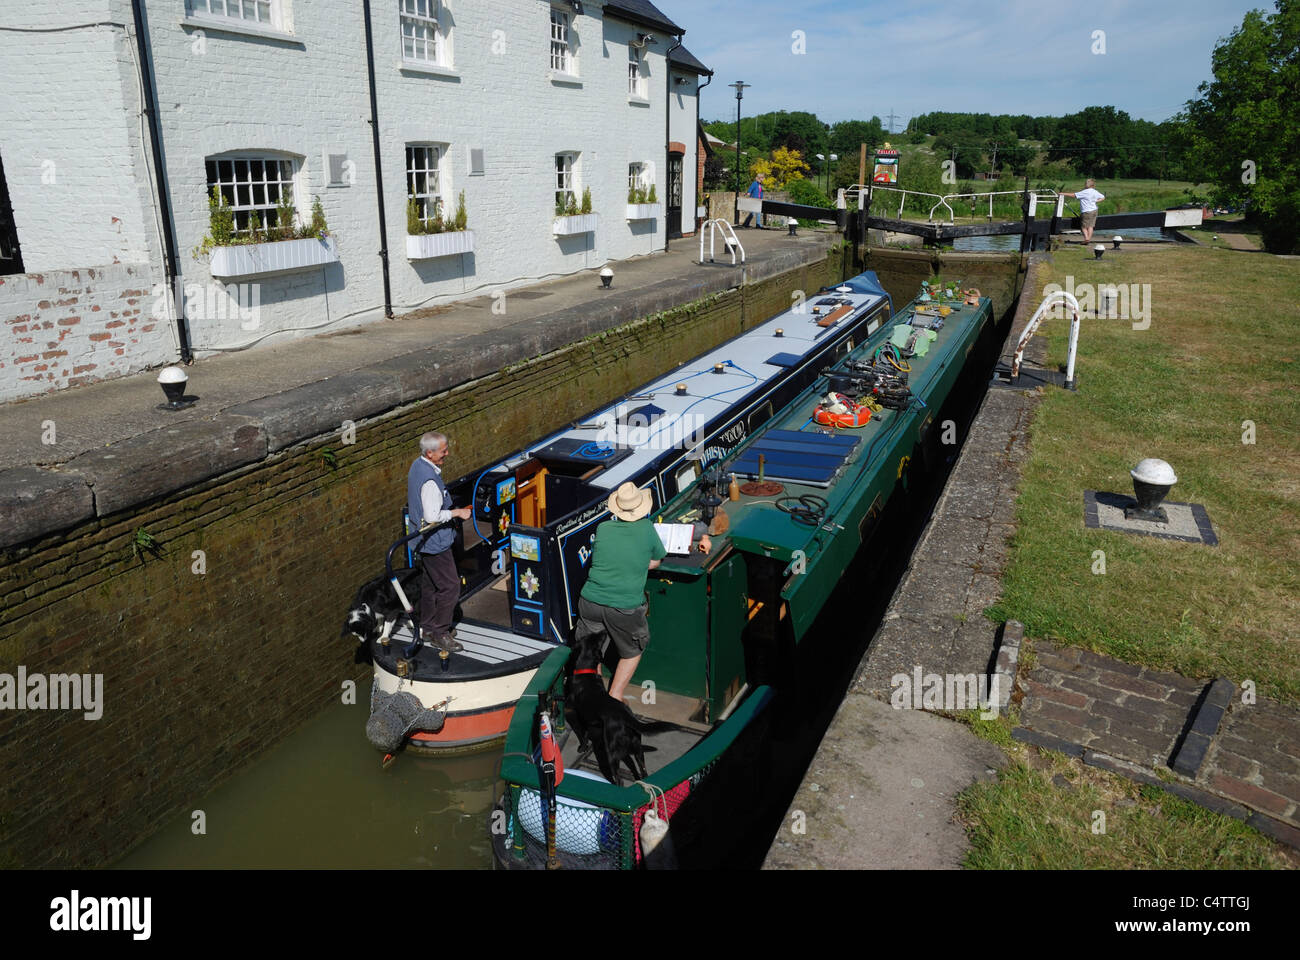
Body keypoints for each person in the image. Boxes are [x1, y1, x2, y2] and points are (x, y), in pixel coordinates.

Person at [575, 482, 712, 702]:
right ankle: (615, 695)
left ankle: (597, 694)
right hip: (624, 607)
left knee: (592, 651)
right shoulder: (647, 529)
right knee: (632, 651)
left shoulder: (603, 528)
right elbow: (655, 561)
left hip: (590, 601)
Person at [407, 432, 472, 654]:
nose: (447, 453)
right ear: (430, 453)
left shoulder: (417, 466)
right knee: (450, 586)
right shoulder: (430, 482)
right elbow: (433, 516)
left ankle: (426, 627)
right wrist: (458, 512)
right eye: (443, 450)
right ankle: (440, 633)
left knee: (430, 584)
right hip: (435, 542)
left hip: (421, 540)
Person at [1063, 179, 1105, 244]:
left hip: (1086, 211)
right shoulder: (1095, 191)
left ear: (1086, 185)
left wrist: (1063, 194)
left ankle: (1086, 239)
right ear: (1093, 185)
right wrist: (1096, 201)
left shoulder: (1085, 192)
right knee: (1091, 226)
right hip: (1094, 210)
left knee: (1084, 226)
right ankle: (1089, 239)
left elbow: (1074, 195)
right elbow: (1103, 197)